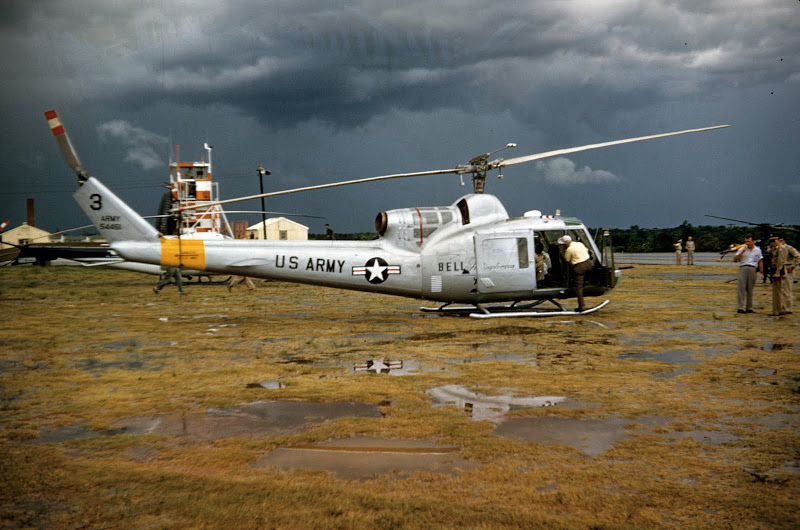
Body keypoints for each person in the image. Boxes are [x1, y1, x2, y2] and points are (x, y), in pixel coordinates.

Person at [557, 234, 594, 312]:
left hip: (579, 267)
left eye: (563, 244)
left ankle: (581, 306)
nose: (563, 246)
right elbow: (587, 251)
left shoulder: (569, 250)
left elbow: (567, 260)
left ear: (566, 244)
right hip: (589, 264)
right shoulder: (579, 244)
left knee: (579, 288)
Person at [733, 234, 763, 314]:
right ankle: (740, 308)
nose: (747, 243)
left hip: (753, 268)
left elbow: (760, 261)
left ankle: (749, 307)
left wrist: (761, 272)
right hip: (743, 267)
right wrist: (742, 252)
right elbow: (735, 259)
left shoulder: (758, 250)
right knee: (741, 288)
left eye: (748, 241)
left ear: (753, 241)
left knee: (750, 289)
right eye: (746, 241)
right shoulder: (742, 249)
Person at [768, 236, 787, 316]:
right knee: (778, 291)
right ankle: (780, 309)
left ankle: (778, 310)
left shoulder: (780, 249)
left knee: (777, 292)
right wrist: (771, 253)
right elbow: (775, 259)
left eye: (773, 241)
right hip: (776, 270)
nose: (771, 244)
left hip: (778, 271)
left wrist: (778, 272)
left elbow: (780, 261)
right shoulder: (777, 249)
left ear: (776, 241)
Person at [779, 238, 798, 314]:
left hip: (788, 269)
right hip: (781, 269)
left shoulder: (789, 248)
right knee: (782, 290)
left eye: (780, 241)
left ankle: (788, 308)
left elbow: (797, 256)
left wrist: (793, 266)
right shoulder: (779, 249)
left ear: (784, 241)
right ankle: (783, 307)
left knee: (787, 289)